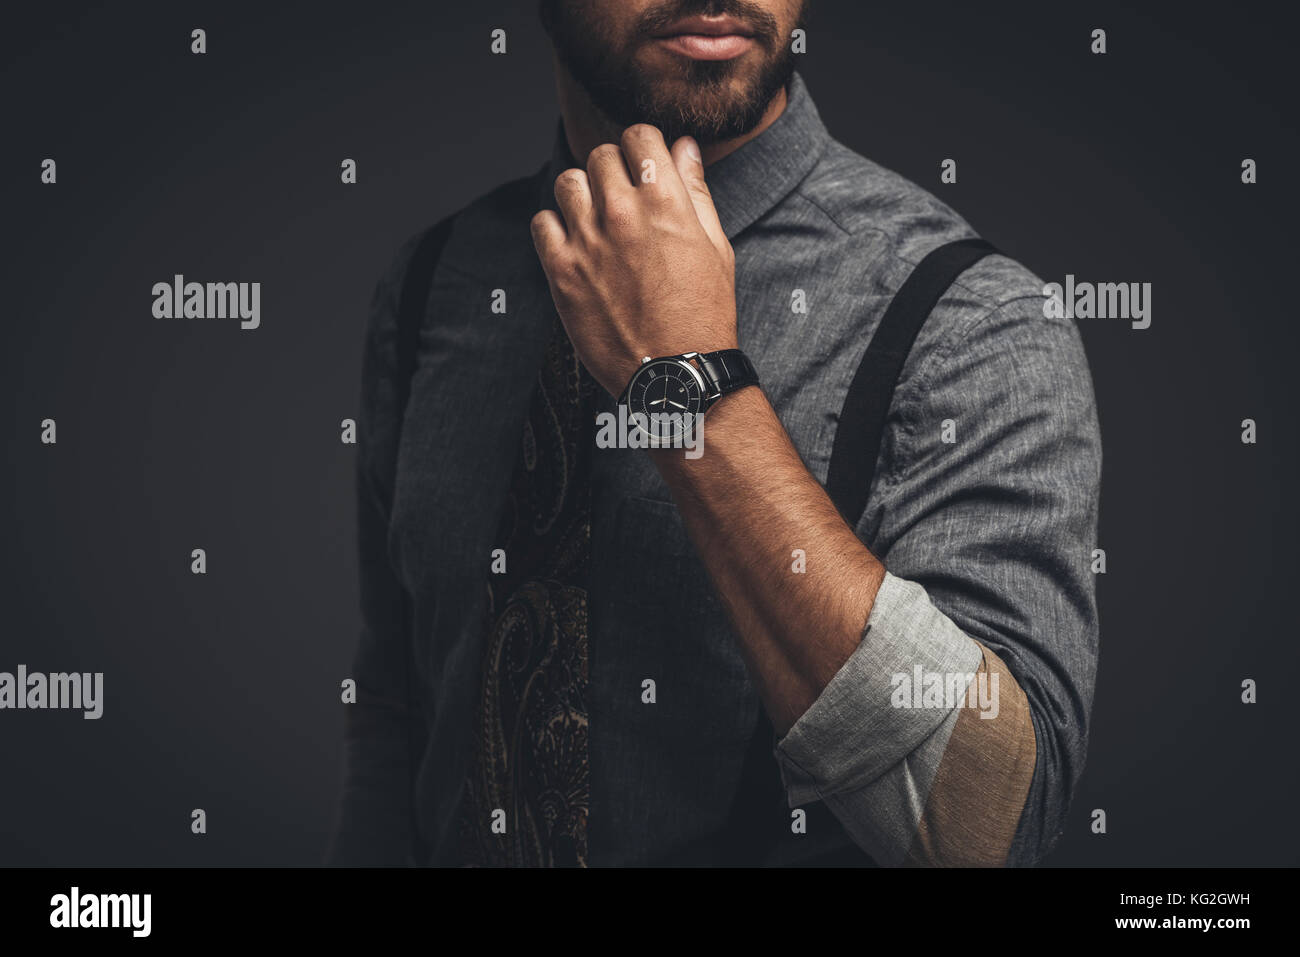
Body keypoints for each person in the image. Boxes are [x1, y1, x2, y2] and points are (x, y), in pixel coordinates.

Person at [328, 0, 1101, 867]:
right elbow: (402, 719)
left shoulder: (968, 320)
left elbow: (987, 824)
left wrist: (691, 382)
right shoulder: (434, 285)